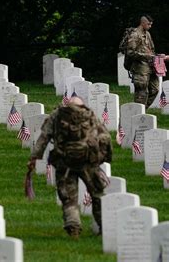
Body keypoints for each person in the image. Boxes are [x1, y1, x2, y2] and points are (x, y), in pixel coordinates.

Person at [27, 97, 112, 239]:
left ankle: (74, 227)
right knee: (97, 194)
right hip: (88, 162)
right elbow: (105, 136)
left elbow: (44, 137)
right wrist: (104, 156)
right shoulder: (89, 114)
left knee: (69, 198)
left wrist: (34, 157)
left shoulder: (57, 115)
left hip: (64, 162)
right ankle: (104, 225)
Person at [127, 15, 169, 108]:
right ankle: (137, 114)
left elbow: (150, 50)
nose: (150, 26)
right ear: (143, 23)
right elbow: (130, 53)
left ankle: (142, 111)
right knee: (142, 93)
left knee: (155, 89)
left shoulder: (148, 34)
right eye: (149, 24)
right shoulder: (135, 35)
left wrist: (158, 56)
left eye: (151, 24)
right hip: (140, 68)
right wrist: (148, 56)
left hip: (150, 66)